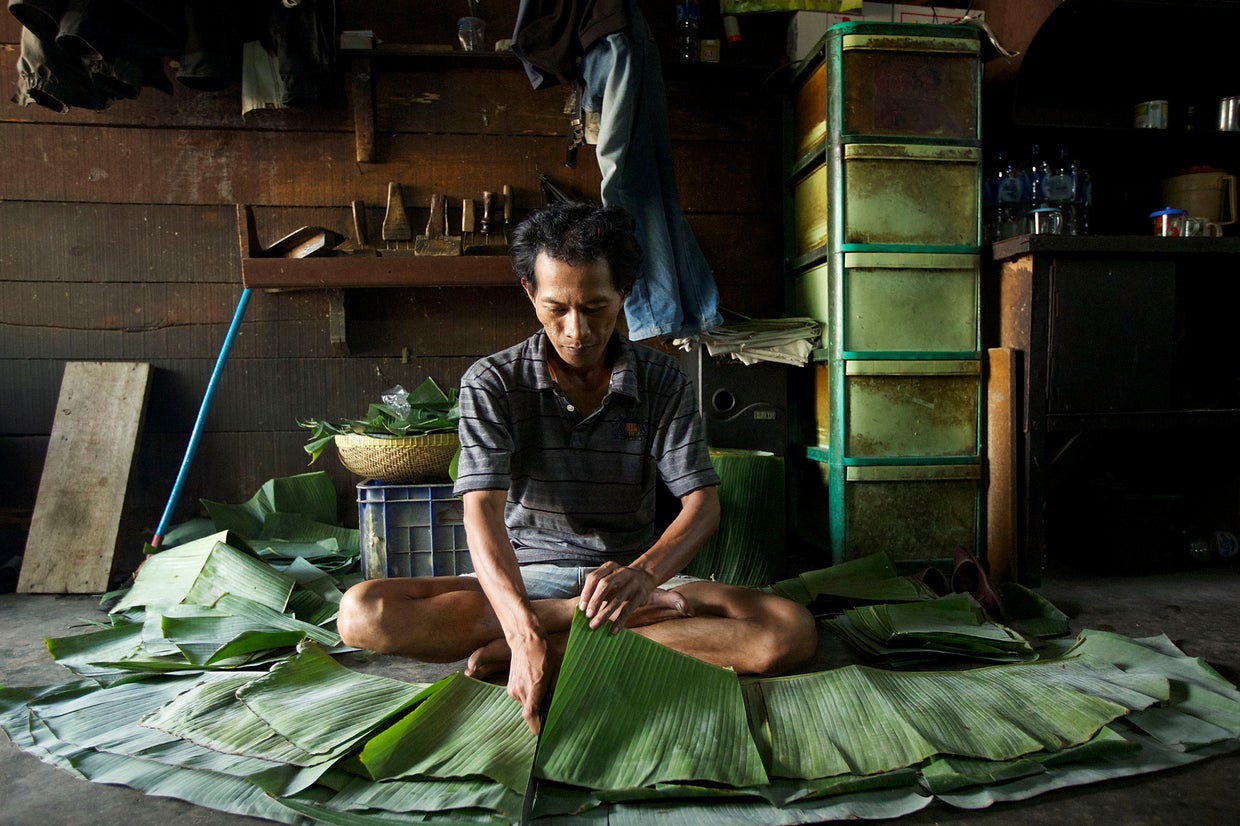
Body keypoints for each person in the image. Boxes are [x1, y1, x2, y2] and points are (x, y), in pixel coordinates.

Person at [337, 202, 817, 733]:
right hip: (527, 582)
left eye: (595, 307)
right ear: (529, 293)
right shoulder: (492, 382)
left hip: (632, 580)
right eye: (556, 308)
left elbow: (702, 506)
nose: (576, 330)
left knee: (786, 631)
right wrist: (522, 627)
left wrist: (641, 576)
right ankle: (559, 628)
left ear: (625, 295)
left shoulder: (663, 381)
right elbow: (482, 514)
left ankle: (561, 650)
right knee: (362, 613)